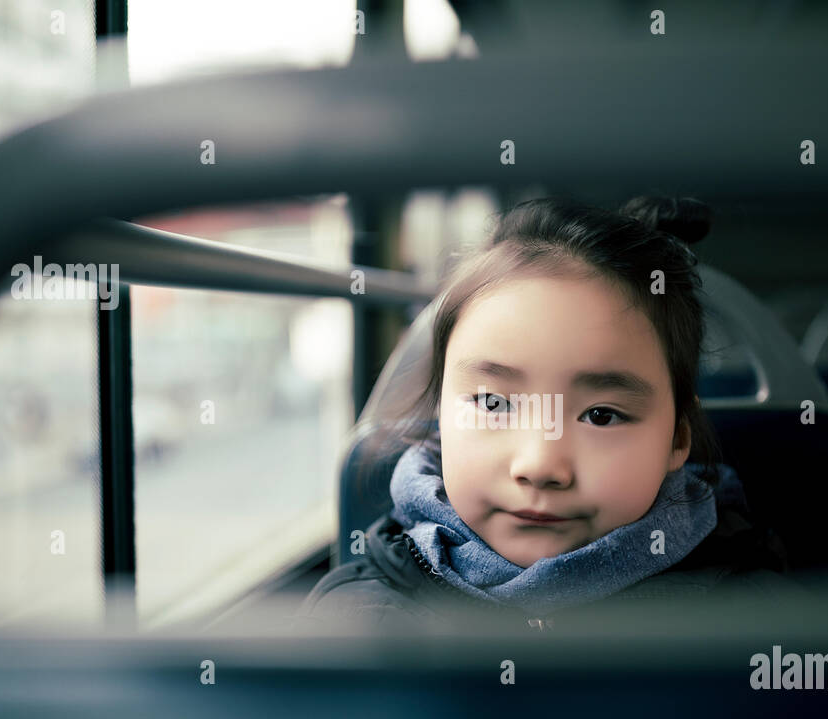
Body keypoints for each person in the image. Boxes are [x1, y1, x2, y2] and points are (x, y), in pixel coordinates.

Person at [295, 195, 788, 635]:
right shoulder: (357, 622)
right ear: (441, 416)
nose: (540, 466)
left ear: (677, 440)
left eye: (600, 415)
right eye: (493, 404)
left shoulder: (753, 621)